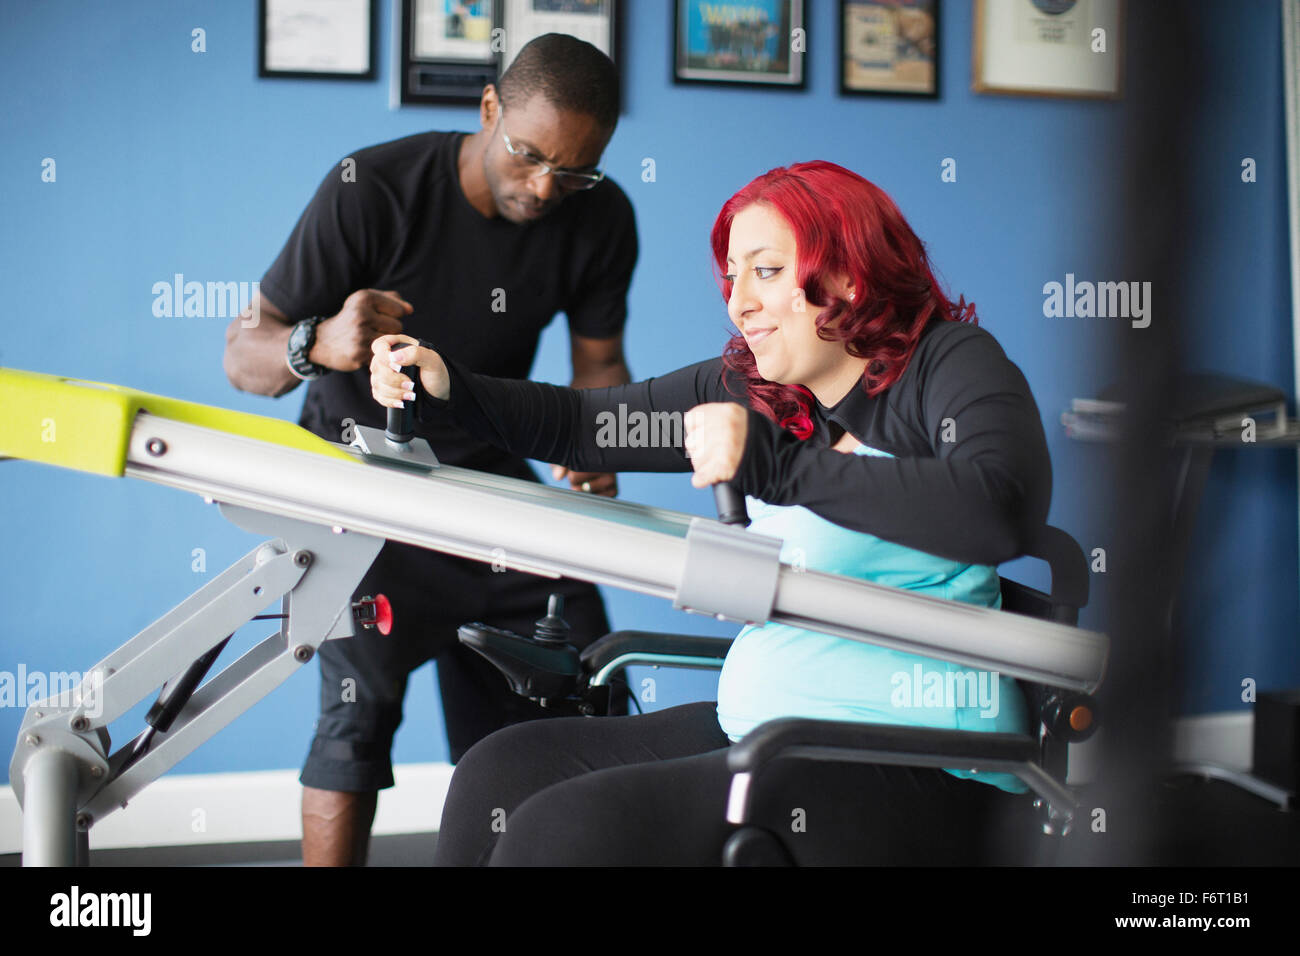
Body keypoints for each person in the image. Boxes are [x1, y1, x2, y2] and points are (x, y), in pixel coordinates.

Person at [371, 161, 1054, 866]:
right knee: (501, 774)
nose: (739, 304)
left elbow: (1002, 509)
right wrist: (449, 388)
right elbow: (586, 426)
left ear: (848, 275)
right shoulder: (759, 387)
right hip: (772, 730)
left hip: (923, 759)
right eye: (733, 276)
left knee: (566, 831)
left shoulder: (948, 365)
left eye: (766, 271)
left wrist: (781, 470)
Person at [222, 34, 637, 866]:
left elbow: (600, 368)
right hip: (357, 480)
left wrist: (604, 445)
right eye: (528, 155)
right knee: (358, 708)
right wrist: (321, 341)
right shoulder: (371, 188)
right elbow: (244, 357)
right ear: (488, 110)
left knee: (581, 686)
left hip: (485, 486)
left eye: (576, 170)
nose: (547, 186)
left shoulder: (601, 214)